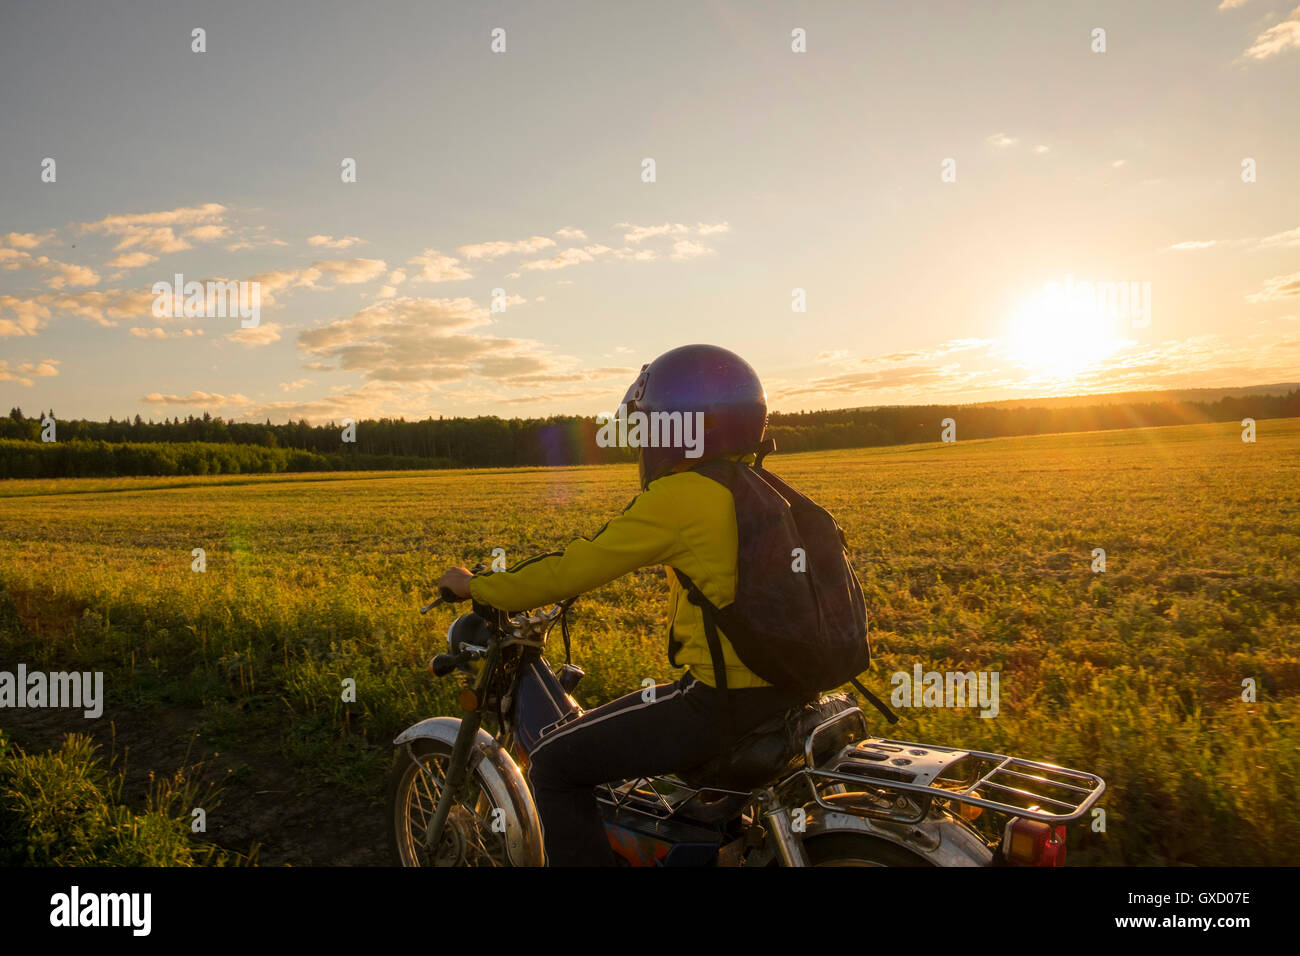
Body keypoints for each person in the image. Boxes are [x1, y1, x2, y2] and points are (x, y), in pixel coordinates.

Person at [436, 344, 808, 866]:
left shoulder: (684, 496)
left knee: (554, 763)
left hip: (723, 700)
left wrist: (478, 587)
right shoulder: (760, 487)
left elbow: (578, 564)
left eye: (650, 426)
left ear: (676, 426)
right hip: (789, 688)